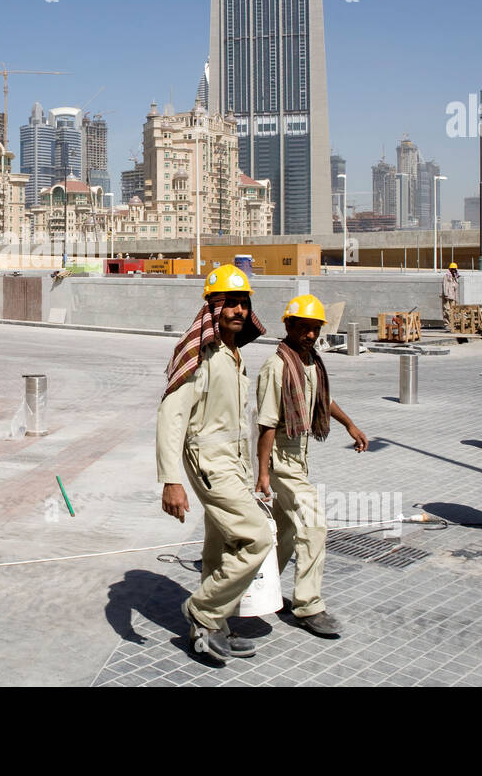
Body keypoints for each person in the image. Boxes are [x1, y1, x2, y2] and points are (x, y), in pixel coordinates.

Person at [157, 263, 274, 663]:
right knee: (256, 538)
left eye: (244, 303)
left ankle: (215, 627)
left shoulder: (232, 354)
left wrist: (256, 471)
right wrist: (171, 479)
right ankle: (202, 612)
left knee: (221, 545)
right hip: (208, 461)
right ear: (213, 307)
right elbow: (172, 416)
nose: (239, 310)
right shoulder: (200, 355)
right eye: (231, 303)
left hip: (232, 463)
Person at [256, 295, 369, 638]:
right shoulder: (276, 367)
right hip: (280, 460)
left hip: (299, 459)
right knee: (314, 522)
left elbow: (323, 398)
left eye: (314, 328)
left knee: (286, 530)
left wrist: (350, 424)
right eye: (302, 327)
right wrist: (263, 473)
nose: (308, 334)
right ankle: (309, 605)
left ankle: (263, 588)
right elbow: (266, 424)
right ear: (287, 326)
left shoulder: (310, 363)